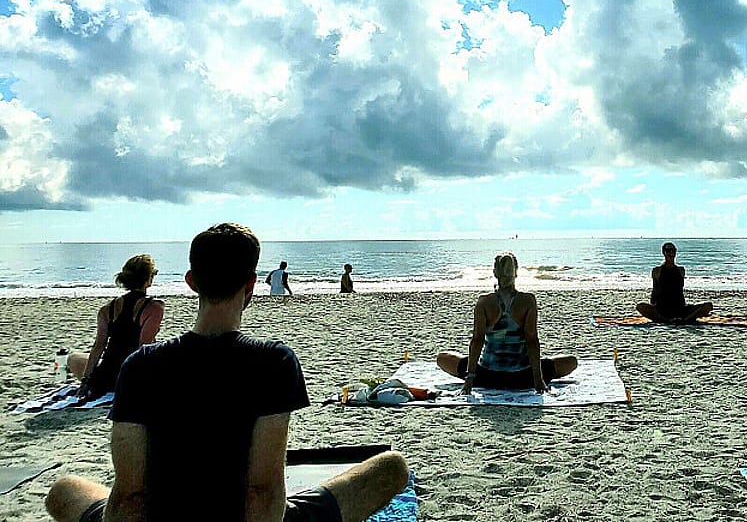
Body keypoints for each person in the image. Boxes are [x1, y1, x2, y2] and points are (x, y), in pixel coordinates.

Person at [44, 222, 407, 522]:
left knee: (64, 489)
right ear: (251, 284)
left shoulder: (139, 366)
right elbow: (262, 492)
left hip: (159, 513)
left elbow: (129, 495)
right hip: (248, 515)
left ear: (191, 281)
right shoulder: (273, 361)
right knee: (392, 466)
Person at [436, 252, 578, 393]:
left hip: (486, 376)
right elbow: (532, 340)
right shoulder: (527, 301)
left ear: (495, 273)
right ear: (516, 272)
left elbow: (477, 340)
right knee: (571, 361)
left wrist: (470, 379)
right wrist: (538, 379)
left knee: (442, 358)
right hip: (523, 377)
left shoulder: (484, 302)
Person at [67, 254, 165, 400]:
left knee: (73, 358)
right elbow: (143, 349)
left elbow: (98, 347)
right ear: (148, 280)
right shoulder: (153, 307)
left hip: (105, 378)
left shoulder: (107, 309)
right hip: (129, 378)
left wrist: (86, 381)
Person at [635, 242, 714, 323]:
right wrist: (653, 306)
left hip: (679, 308)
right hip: (662, 308)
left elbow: (680, 290)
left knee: (708, 306)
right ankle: (666, 320)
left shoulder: (681, 270)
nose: (671, 253)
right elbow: (655, 290)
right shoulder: (657, 271)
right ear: (664, 252)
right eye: (668, 250)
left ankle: (685, 320)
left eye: (673, 250)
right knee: (640, 307)